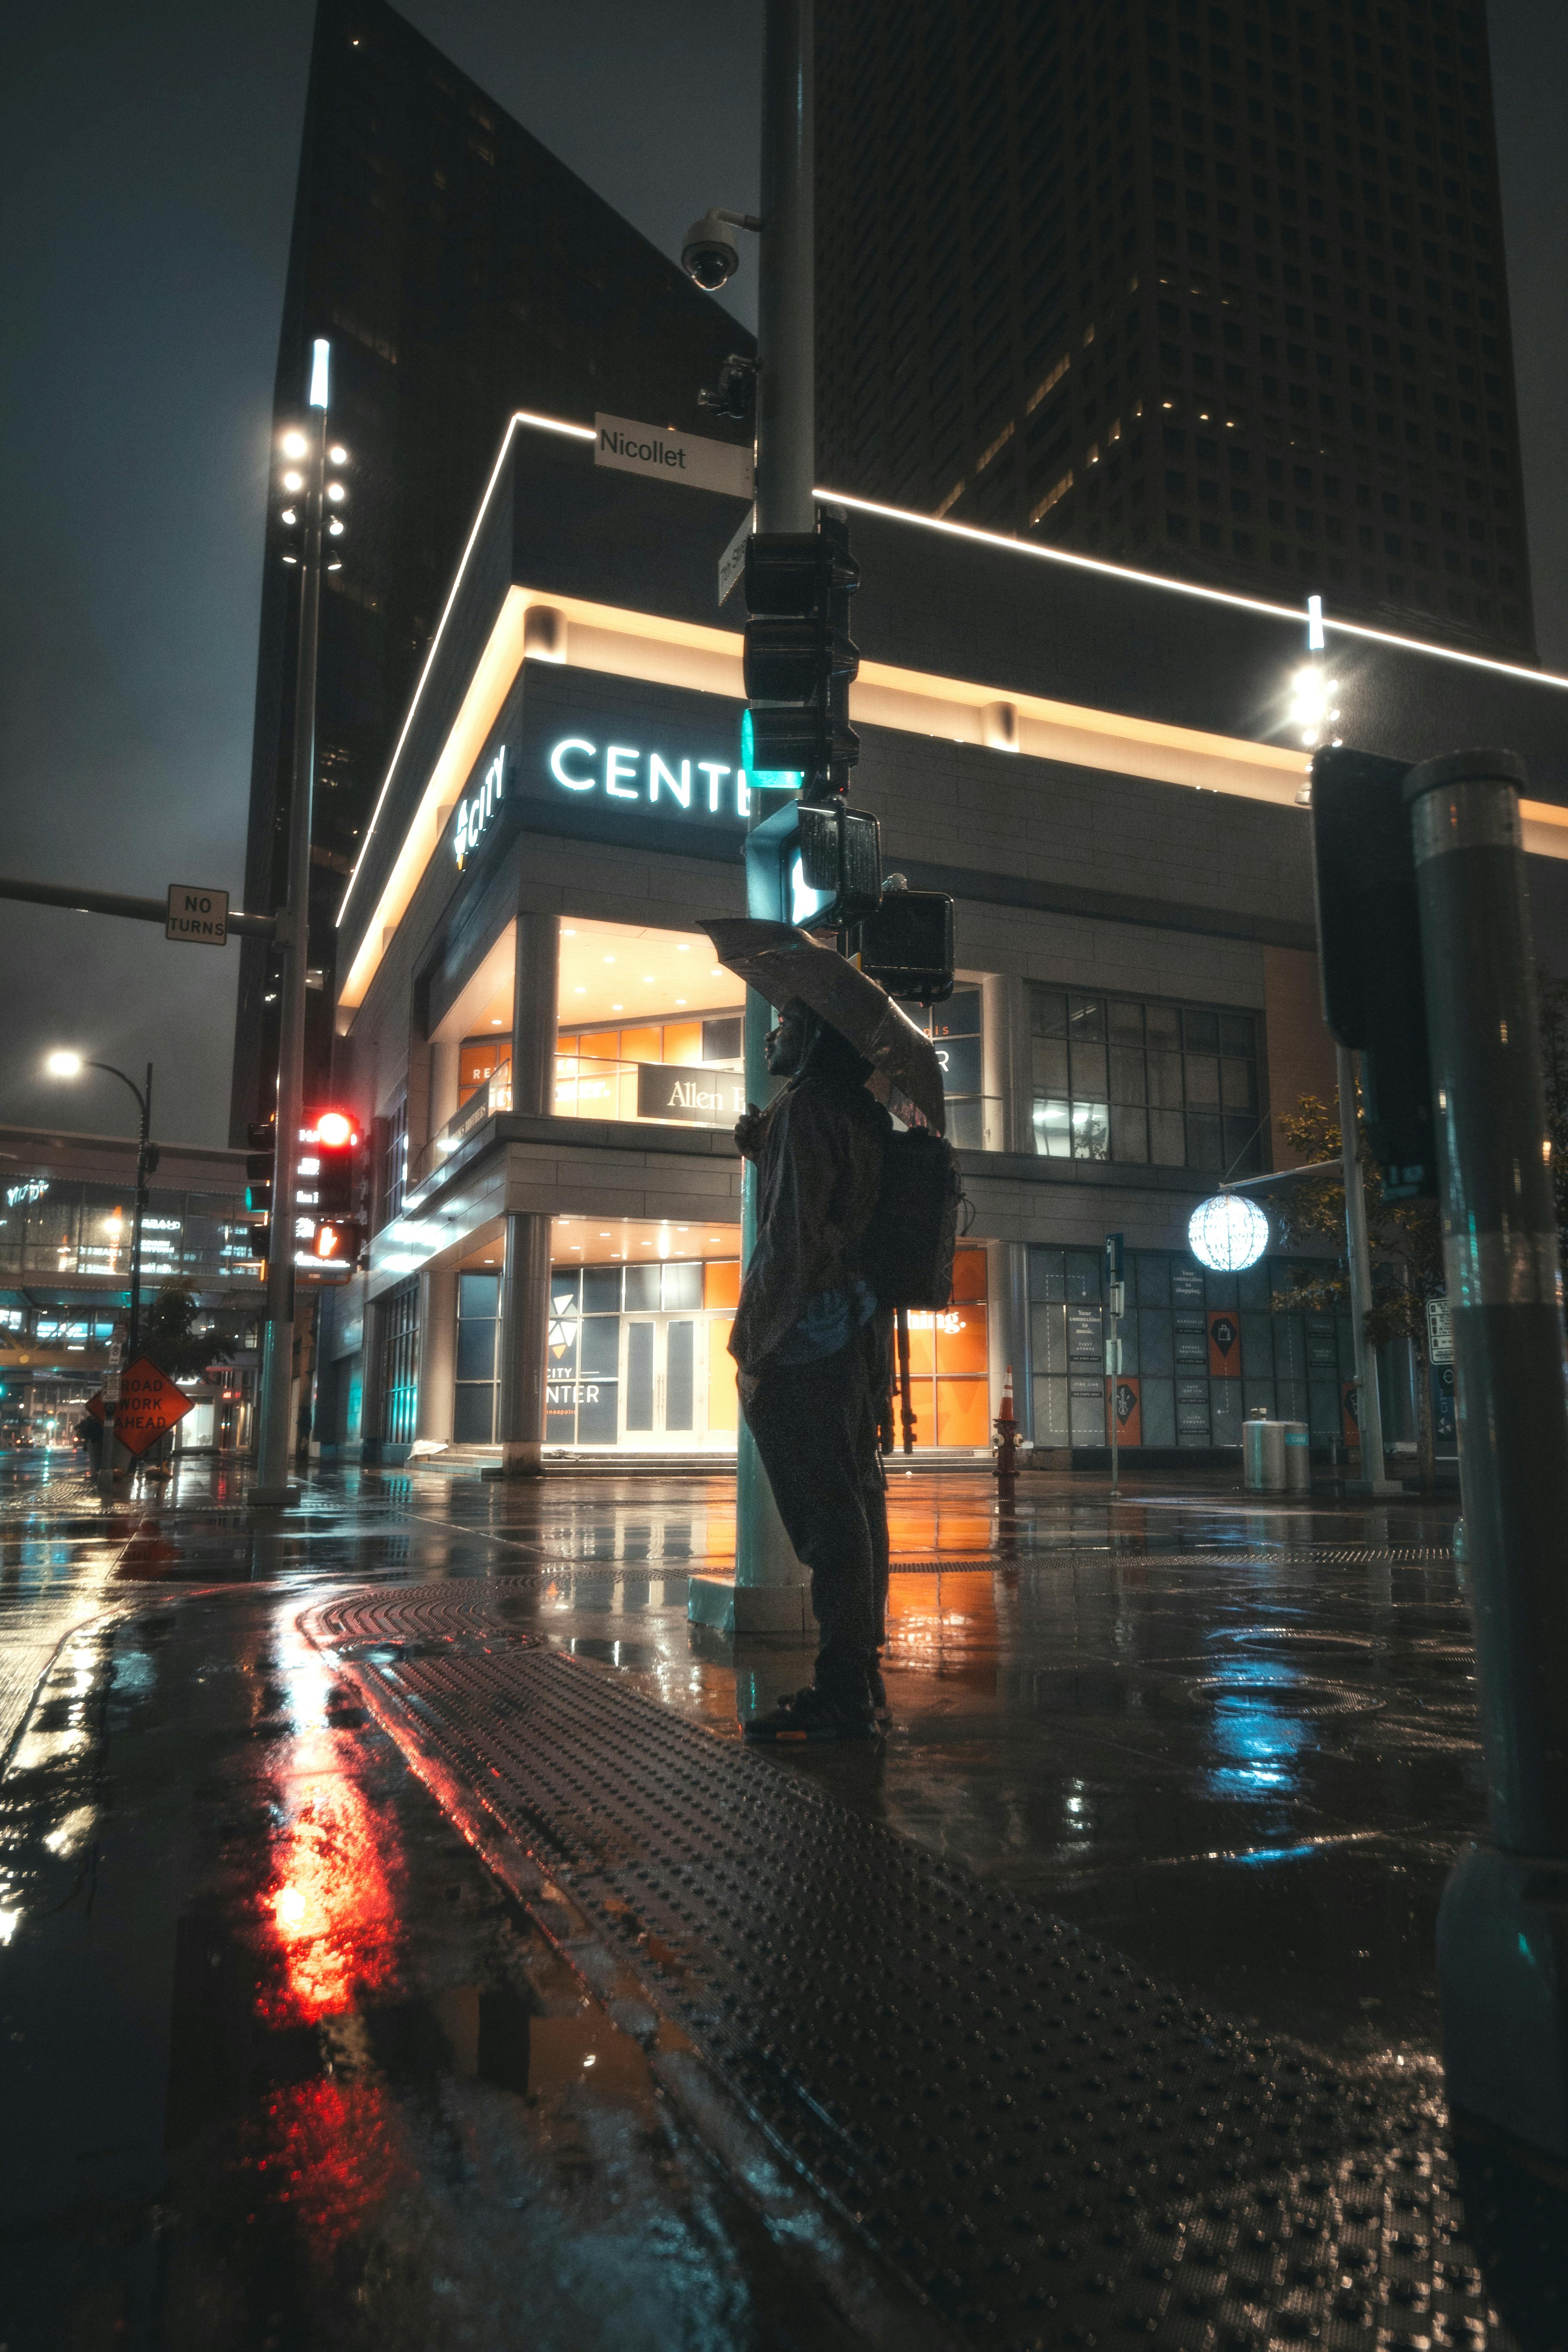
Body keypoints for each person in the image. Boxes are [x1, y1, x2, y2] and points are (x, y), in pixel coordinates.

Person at [730, 999, 894, 1742]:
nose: (774, 1033)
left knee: (827, 1518)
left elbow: (793, 1243)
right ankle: (858, 1674)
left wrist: (758, 1343)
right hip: (854, 1332)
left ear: (819, 1036)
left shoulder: (803, 1111)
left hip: (805, 1337)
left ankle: (841, 1693)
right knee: (856, 1505)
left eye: (789, 1023)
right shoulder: (863, 1114)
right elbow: (839, 1210)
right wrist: (764, 1147)